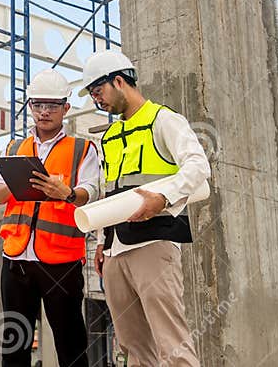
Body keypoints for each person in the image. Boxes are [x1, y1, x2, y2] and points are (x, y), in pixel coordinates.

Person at [81, 50, 211, 367]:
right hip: (114, 250)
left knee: (171, 342)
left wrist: (163, 198)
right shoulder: (110, 136)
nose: (97, 100)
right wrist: (101, 243)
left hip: (153, 243)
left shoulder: (163, 120)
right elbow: (109, 192)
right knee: (133, 346)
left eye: (98, 91)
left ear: (119, 81)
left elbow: (198, 166)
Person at [0, 69, 100, 367]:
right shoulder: (14, 148)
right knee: (15, 342)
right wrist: (14, 184)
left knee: (70, 342)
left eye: (52, 105)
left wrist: (67, 193)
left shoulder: (82, 149)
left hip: (61, 261)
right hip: (16, 258)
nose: (44, 112)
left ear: (66, 108)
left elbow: (91, 192)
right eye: (38, 105)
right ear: (30, 106)